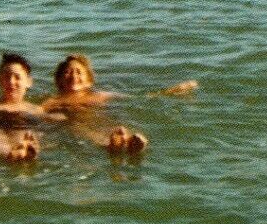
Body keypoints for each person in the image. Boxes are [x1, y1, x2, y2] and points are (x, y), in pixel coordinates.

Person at [39, 53, 198, 155]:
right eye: (68, 72)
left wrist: (172, 91)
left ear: (89, 80)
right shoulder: (53, 101)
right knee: (77, 127)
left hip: (100, 121)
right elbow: (37, 115)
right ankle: (110, 145)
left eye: (79, 72)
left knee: (116, 127)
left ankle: (126, 142)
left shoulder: (101, 96)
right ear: (58, 80)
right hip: (72, 125)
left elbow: (140, 98)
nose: (73, 75)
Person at [0, 52, 64, 163]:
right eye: (6, 77)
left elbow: (55, 120)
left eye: (17, 77)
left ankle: (24, 149)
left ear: (28, 82)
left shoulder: (38, 109)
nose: (11, 82)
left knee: (27, 133)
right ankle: (13, 152)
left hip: (24, 130)